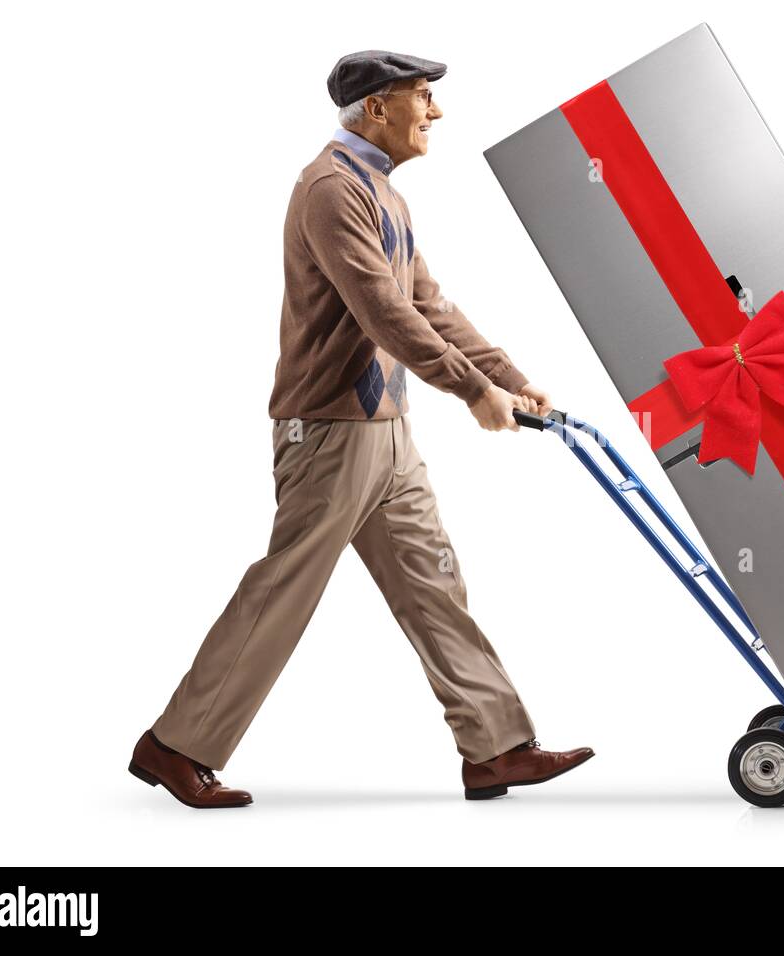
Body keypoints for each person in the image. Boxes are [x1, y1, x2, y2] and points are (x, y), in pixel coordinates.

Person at [129, 49, 594, 808]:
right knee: (286, 589)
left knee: (434, 582)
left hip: (386, 428)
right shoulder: (331, 191)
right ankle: (174, 745)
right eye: (422, 98)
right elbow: (384, 312)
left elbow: (431, 305)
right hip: (330, 430)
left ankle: (496, 749)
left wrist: (509, 378)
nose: (435, 112)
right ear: (376, 109)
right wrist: (472, 391)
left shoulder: (381, 192)